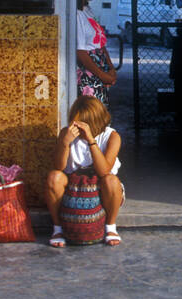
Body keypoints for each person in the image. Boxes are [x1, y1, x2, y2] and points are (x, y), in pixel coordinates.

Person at [45, 95, 124, 247]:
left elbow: (104, 171)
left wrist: (91, 140)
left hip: (101, 188)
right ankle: (57, 228)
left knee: (111, 180)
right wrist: (65, 142)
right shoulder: (67, 134)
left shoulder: (112, 137)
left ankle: (110, 227)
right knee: (54, 177)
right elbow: (59, 167)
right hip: (75, 188)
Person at [76, 0, 116, 109]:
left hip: (99, 75)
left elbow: (101, 45)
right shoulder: (76, 15)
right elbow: (81, 53)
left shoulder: (88, 10)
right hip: (89, 77)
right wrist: (102, 74)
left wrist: (111, 69)